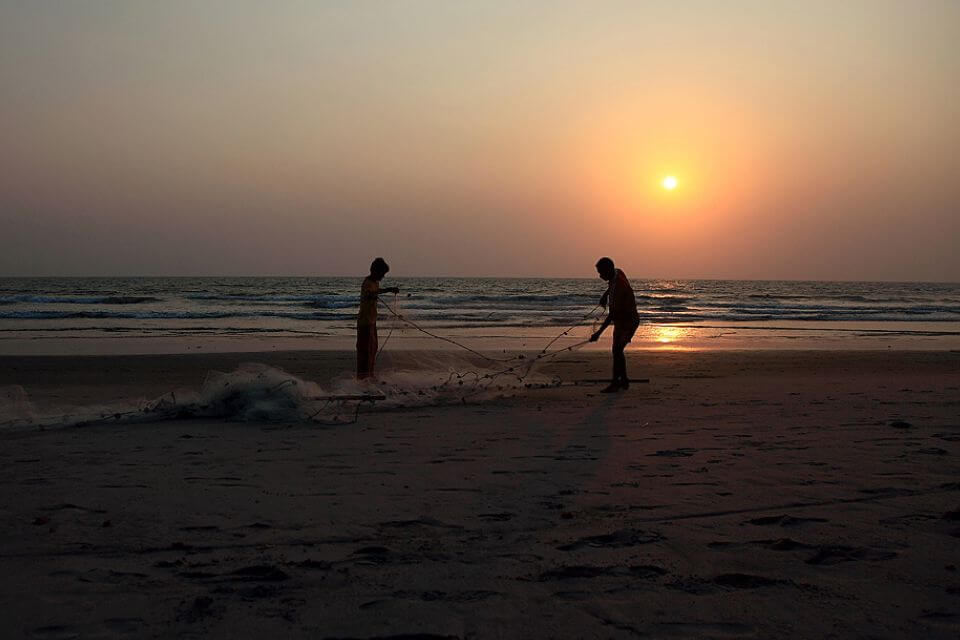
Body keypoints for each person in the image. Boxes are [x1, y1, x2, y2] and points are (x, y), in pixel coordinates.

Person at [589, 257, 640, 392]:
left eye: (601, 273)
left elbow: (611, 316)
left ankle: (615, 383)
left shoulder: (620, 288)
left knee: (617, 350)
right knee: (617, 350)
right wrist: (605, 295)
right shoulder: (618, 273)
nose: (600, 276)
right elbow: (611, 284)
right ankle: (623, 381)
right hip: (620, 321)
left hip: (628, 322)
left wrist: (598, 333)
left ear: (608, 270)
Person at [356, 257, 399, 380]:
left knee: (373, 349)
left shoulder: (375, 283)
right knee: (365, 350)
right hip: (364, 322)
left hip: (372, 321)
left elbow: (377, 291)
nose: (383, 276)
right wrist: (373, 296)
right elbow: (368, 295)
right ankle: (363, 378)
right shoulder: (367, 282)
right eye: (382, 274)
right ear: (375, 271)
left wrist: (389, 289)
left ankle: (370, 374)